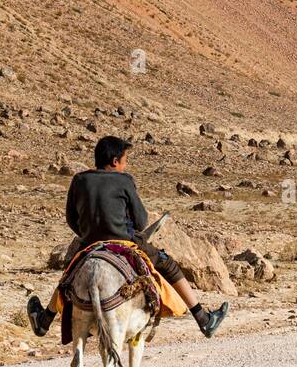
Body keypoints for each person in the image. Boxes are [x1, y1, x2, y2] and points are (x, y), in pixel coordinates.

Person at [26, 136, 229, 338]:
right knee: (168, 264)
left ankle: (44, 320)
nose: (125, 165)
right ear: (115, 161)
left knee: (69, 277)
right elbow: (141, 221)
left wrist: (88, 235)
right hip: (124, 241)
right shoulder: (124, 180)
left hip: (90, 243)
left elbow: (71, 219)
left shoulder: (79, 180)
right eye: (125, 160)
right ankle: (203, 319)